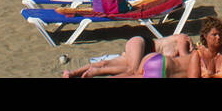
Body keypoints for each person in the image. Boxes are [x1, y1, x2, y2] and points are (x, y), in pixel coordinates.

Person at [64, 33, 192, 78]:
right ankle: (96, 72)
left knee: (106, 63)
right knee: (133, 71)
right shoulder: (183, 39)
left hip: (142, 52)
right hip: (144, 44)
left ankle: (72, 73)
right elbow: (185, 58)